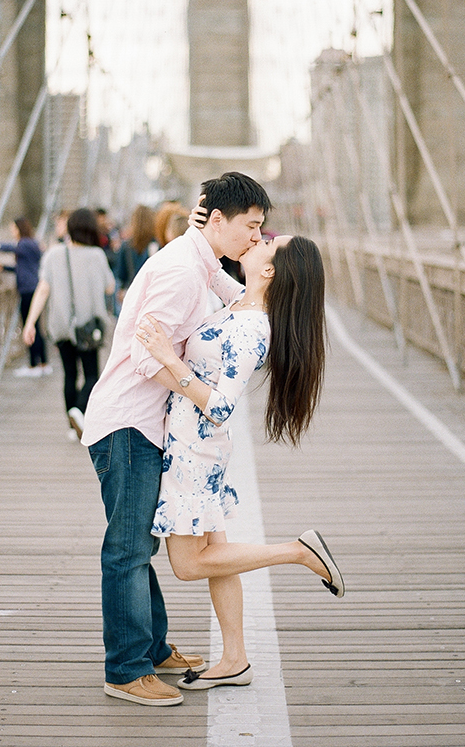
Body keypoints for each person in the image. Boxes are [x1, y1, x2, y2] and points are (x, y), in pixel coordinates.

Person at [81, 172, 271, 707]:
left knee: (138, 542)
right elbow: (146, 356)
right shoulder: (182, 272)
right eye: (251, 228)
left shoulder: (197, 263)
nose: (256, 240)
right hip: (129, 421)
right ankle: (125, 668)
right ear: (217, 220)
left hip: (146, 422)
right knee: (128, 547)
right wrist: (185, 376)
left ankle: (153, 647)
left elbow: (241, 297)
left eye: (261, 231)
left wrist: (211, 239)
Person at [136, 234, 343, 691]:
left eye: (268, 241)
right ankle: (234, 658)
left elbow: (223, 405)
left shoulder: (252, 329)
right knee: (219, 556)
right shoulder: (241, 303)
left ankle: (297, 552)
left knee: (190, 565)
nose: (259, 237)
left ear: (269, 270)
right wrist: (199, 223)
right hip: (194, 443)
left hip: (195, 448)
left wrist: (169, 359)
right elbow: (209, 268)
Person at [22, 208, 115, 438]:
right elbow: (110, 287)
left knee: (70, 375)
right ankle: (79, 410)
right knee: (92, 375)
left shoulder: (54, 254)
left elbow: (43, 290)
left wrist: (30, 323)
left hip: (62, 326)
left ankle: (71, 426)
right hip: (88, 327)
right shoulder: (96, 255)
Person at [0, 217, 50, 378]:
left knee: (30, 326)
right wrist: (5, 268)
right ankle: (43, 363)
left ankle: (34, 364)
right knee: (37, 328)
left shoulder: (25, 243)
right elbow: (24, 267)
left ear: (20, 228)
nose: (12, 232)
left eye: (13, 228)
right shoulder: (32, 243)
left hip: (28, 289)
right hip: (33, 286)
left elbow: (11, 248)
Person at [114, 204, 157, 306]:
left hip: (131, 293)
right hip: (151, 294)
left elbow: (120, 273)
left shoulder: (126, 246)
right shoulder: (155, 244)